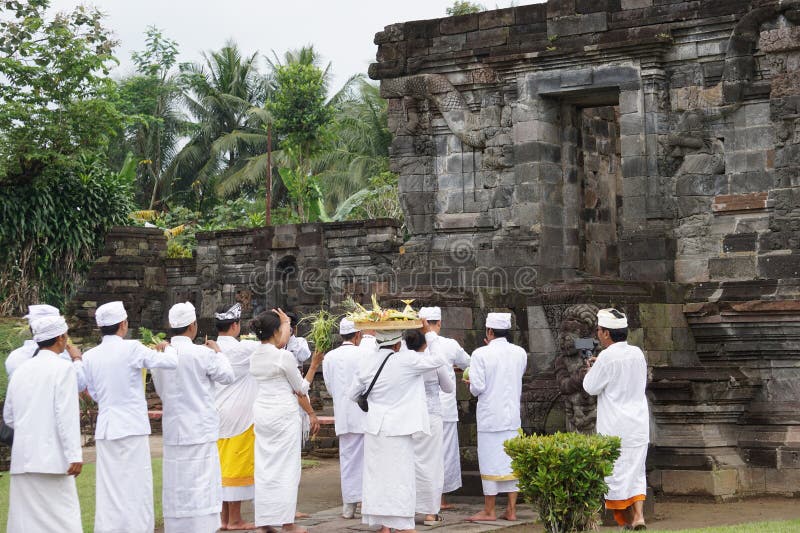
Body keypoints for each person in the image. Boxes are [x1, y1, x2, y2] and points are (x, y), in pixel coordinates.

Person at [81, 301, 178, 533]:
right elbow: (171, 362)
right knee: (137, 485)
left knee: (110, 488)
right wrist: (168, 347)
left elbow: (93, 392)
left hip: (107, 427)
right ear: (123, 324)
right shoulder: (132, 348)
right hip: (132, 426)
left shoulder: (90, 356)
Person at [348, 323, 448, 533]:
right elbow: (439, 359)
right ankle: (403, 526)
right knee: (400, 478)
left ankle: (385, 525)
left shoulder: (367, 361)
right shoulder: (406, 360)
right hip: (399, 429)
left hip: (375, 429)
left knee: (379, 478)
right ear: (397, 345)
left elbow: (353, 394)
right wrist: (429, 334)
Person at [152, 301, 235, 533]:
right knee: (202, 483)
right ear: (192, 326)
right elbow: (228, 376)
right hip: (200, 429)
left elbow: (160, 390)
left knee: (177, 482)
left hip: (175, 429)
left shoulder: (160, 356)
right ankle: (203, 527)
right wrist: (219, 353)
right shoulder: (202, 354)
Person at [4, 314, 83, 533]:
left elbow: (9, 417)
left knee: (26, 523)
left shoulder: (20, 370)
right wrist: (74, 454)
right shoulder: (63, 368)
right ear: (60, 338)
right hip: (53, 460)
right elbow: (66, 415)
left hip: (23, 459)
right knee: (64, 521)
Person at [249, 309, 322, 533]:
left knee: (265, 467)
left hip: (262, 412)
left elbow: (280, 342)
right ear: (275, 331)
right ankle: (287, 523)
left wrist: (285, 323)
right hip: (283, 414)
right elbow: (301, 389)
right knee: (288, 468)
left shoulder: (255, 355)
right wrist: (313, 366)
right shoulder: (283, 357)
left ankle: (264, 521)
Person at [583, 308, 649, 531]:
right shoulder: (637, 353)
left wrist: (592, 369)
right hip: (638, 424)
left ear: (606, 334)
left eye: (599, 330)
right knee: (637, 472)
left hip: (616, 427)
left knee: (616, 476)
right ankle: (639, 516)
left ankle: (629, 521)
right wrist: (600, 365)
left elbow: (590, 387)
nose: (598, 334)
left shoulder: (607, 357)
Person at [466, 312, 527, 523]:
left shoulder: (480, 354)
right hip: (511, 416)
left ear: (489, 331)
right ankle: (511, 509)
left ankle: (489, 510)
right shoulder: (520, 353)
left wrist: (470, 383)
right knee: (511, 462)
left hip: (490, 417)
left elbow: (477, 388)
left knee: (490, 461)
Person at [418, 306, 471, 509]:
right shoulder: (449, 345)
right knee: (445, 453)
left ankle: (423, 498)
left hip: (419, 409)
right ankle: (439, 499)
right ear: (439, 323)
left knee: (422, 454)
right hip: (444, 408)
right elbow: (469, 364)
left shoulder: (411, 345)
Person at [214, 303, 259, 531]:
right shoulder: (244, 349)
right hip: (239, 415)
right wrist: (283, 323)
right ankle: (234, 519)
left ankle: (223, 519)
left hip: (217, 413)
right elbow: (276, 343)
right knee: (237, 465)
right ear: (235, 325)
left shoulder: (210, 349)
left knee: (222, 466)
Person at [410, 324, 454, 526]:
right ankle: (430, 512)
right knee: (433, 463)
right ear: (425, 343)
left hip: (409, 417)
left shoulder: (403, 362)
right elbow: (448, 387)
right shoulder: (433, 361)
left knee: (411, 463)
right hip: (431, 415)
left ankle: (409, 509)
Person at [322, 318, 366, 519]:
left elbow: (330, 388)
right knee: (366, 460)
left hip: (343, 414)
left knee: (348, 460)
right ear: (357, 335)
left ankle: (349, 505)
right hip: (363, 414)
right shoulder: (364, 354)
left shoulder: (329, 357)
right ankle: (365, 501)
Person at [5, 303, 86, 391]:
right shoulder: (63, 359)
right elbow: (79, 384)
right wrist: (77, 359)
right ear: (60, 336)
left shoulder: (14, 356)